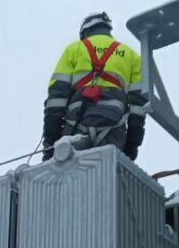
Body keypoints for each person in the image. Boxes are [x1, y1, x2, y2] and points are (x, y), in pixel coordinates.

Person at [42, 12, 147, 161]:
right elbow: (139, 108)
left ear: (84, 31)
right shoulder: (132, 56)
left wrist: (51, 143)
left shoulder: (74, 50)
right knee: (110, 180)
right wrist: (132, 146)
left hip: (74, 133)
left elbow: (56, 99)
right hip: (114, 135)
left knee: (69, 181)